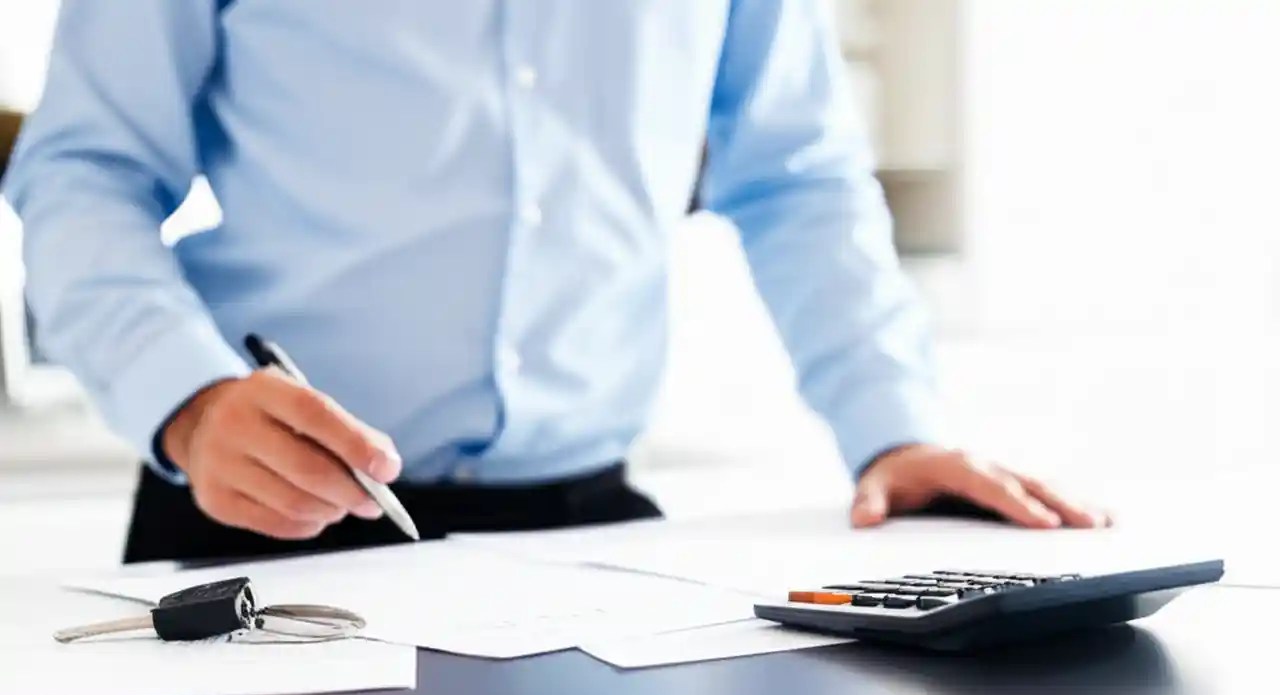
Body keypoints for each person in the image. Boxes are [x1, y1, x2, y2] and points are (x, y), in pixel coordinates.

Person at [4, 1, 1107, 563]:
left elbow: (796, 175)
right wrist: (188, 402)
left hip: (587, 537)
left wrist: (891, 430)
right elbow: (85, 169)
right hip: (252, 513)